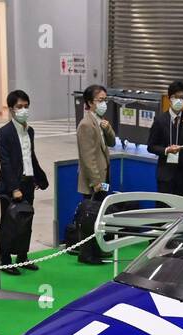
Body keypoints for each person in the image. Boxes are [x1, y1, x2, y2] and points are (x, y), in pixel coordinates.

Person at [0, 89, 48, 272]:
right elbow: (5, 163)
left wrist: (40, 178)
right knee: (8, 224)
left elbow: (30, 156)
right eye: (19, 107)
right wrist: (14, 188)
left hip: (28, 183)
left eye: (26, 106)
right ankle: (6, 260)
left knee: (26, 222)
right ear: (11, 109)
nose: (23, 110)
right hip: (10, 186)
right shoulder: (3, 133)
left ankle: (23, 257)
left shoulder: (29, 131)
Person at [74, 84, 115, 264]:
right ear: (90, 103)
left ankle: (97, 249)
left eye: (105, 100)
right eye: (100, 100)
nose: (103, 103)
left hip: (103, 177)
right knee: (89, 216)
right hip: (94, 181)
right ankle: (87, 253)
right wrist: (96, 181)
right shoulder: (86, 125)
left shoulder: (100, 121)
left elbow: (112, 143)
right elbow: (88, 156)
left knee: (99, 216)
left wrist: (108, 129)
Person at [146, 81, 183, 197]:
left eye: (181, 98)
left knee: (180, 209)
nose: (178, 100)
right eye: (175, 97)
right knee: (163, 208)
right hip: (165, 173)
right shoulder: (160, 120)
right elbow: (150, 146)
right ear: (169, 98)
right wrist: (166, 150)